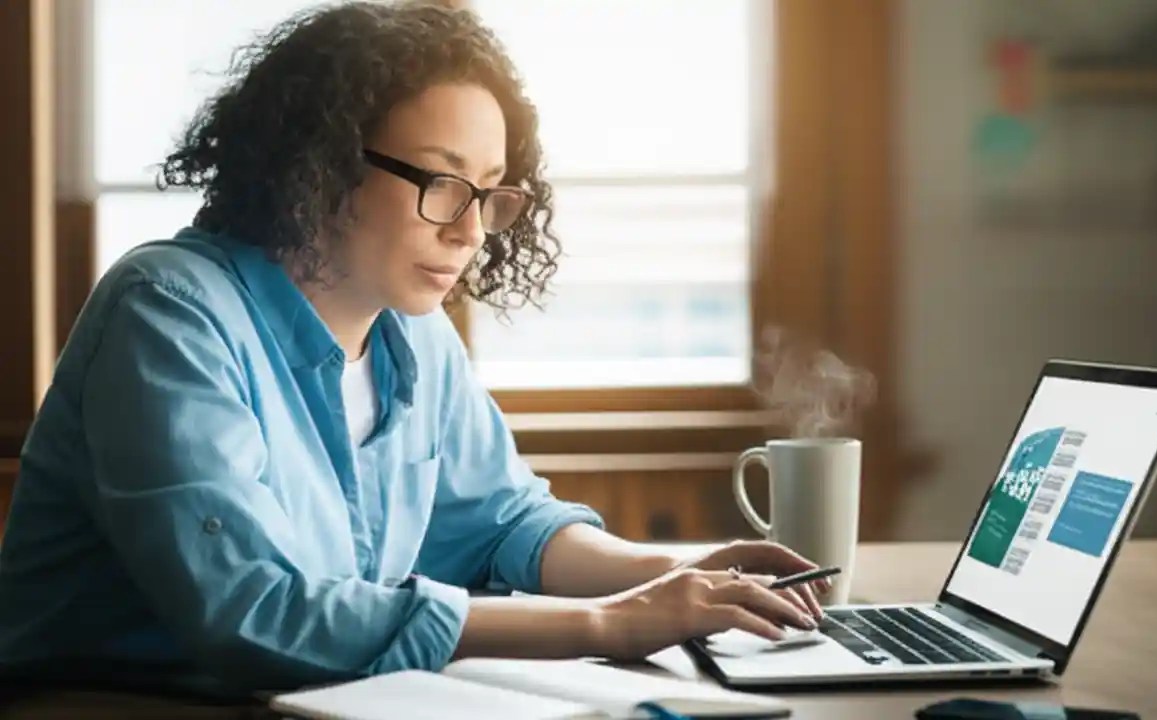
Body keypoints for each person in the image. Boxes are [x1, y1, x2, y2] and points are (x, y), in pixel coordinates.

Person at [0, 1, 830, 695]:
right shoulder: (171, 312)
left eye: (489, 193)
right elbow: (250, 613)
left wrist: (667, 574)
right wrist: (611, 624)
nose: (470, 231)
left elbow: (502, 524)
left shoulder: (414, 334)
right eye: (439, 183)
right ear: (318, 167)